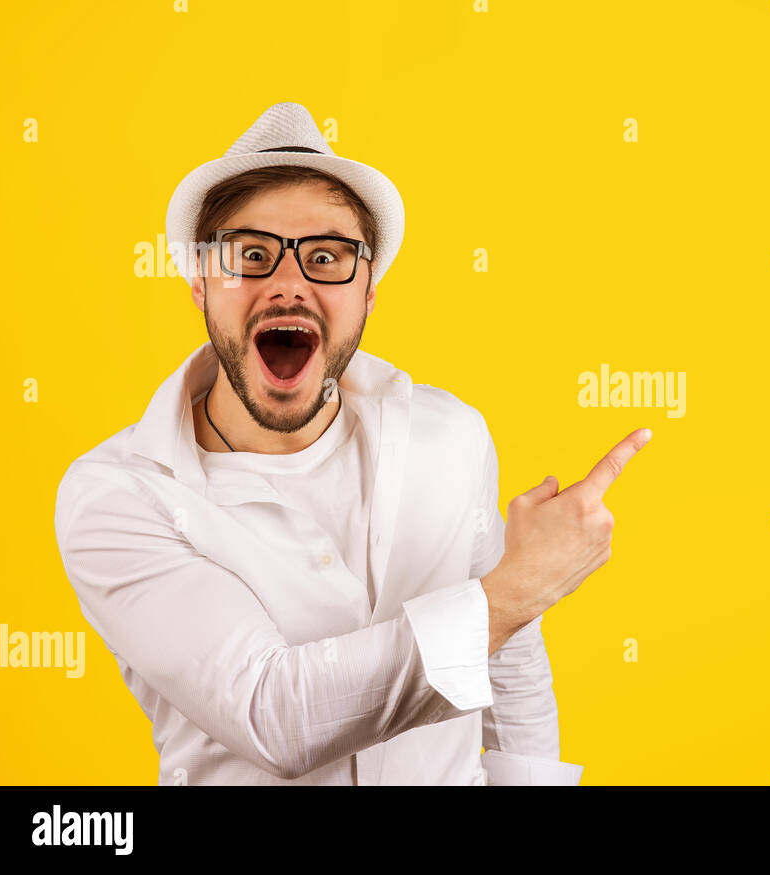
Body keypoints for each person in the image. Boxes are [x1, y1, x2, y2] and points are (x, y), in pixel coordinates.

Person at [52, 102, 651, 785]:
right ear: (200, 284)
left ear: (368, 291)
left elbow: (509, 660)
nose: (288, 285)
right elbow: (274, 717)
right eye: (252, 255)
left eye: (326, 258)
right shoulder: (117, 496)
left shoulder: (449, 437)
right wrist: (518, 589)